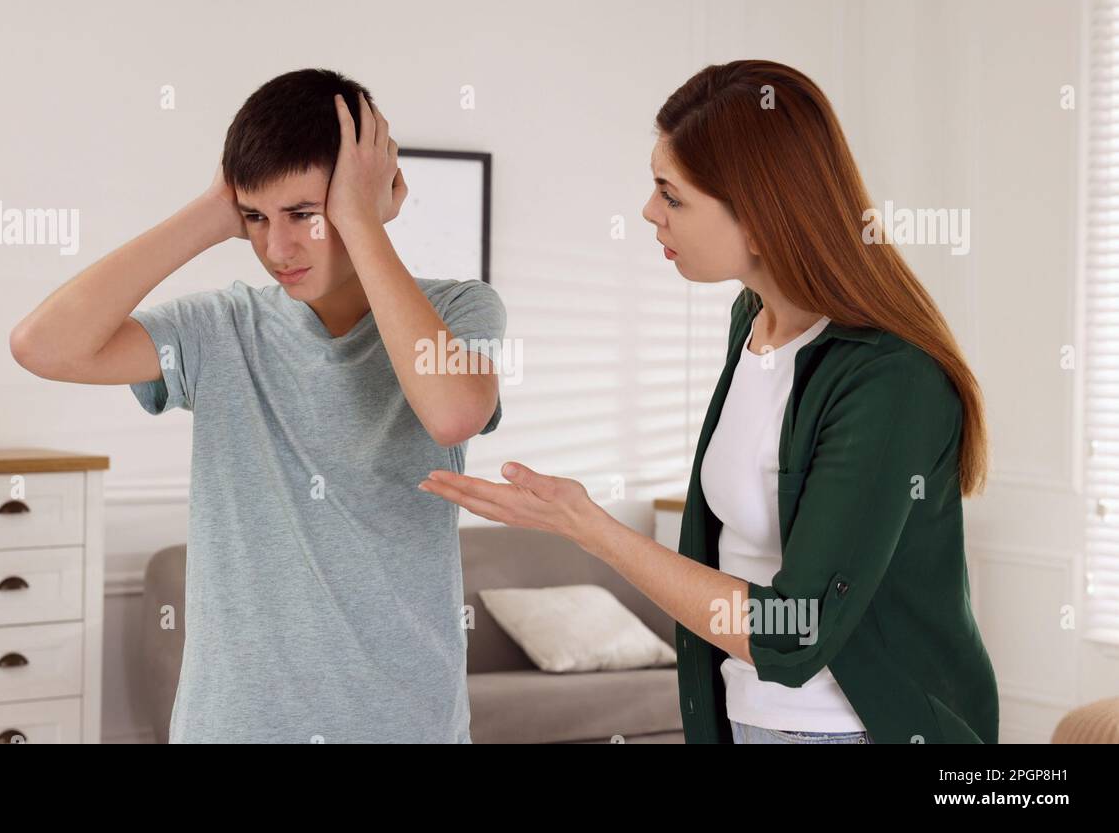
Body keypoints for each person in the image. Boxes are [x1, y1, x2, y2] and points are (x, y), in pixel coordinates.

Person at [418, 59, 998, 744]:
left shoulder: (891, 380)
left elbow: (794, 630)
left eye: (672, 195)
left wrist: (590, 526)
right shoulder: (749, 322)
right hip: (741, 720)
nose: (648, 211)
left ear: (759, 218)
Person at [11, 69, 505, 743]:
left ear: (367, 196)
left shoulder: (458, 311)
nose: (277, 249)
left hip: (405, 724)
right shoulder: (219, 330)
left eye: (304, 213)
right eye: (256, 218)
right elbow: (42, 346)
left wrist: (358, 219)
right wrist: (214, 211)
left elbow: (452, 412)